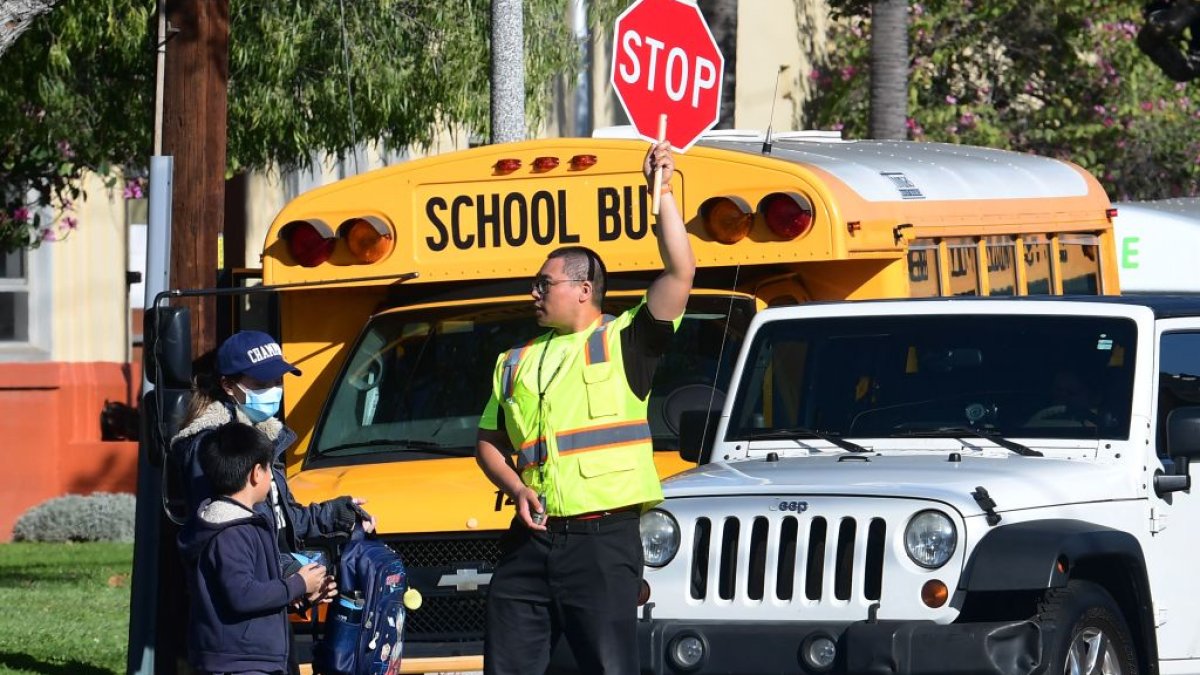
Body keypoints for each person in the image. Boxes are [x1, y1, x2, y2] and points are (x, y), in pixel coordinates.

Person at [474, 141, 695, 675]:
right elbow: (488, 443)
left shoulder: (627, 341)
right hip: (531, 541)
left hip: (602, 544)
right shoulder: (514, 360)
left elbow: (681, 271)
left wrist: (660, 192)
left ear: (583, 289)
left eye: (544, 283)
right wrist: (517, 488)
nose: (533, 292)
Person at [170, 330, 374, 673]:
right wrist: (294, 580)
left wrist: (338, 513)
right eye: (262, 382)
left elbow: (282, 517)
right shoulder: (216, 449)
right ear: (228, 385)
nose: (274, 390)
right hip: (237, 640)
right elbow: (231, 542)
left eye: (278, 379)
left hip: (268, 621)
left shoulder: (263, 435)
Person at [178, 423, 335, 675]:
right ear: (255, 474)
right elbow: (243, 595)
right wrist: (297, 584)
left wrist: (300, 598)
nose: (272, 476)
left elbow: (257, 589)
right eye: (268, 469)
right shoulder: (231, 532)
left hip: (251, 661)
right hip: (240, 664)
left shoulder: (243, 525)